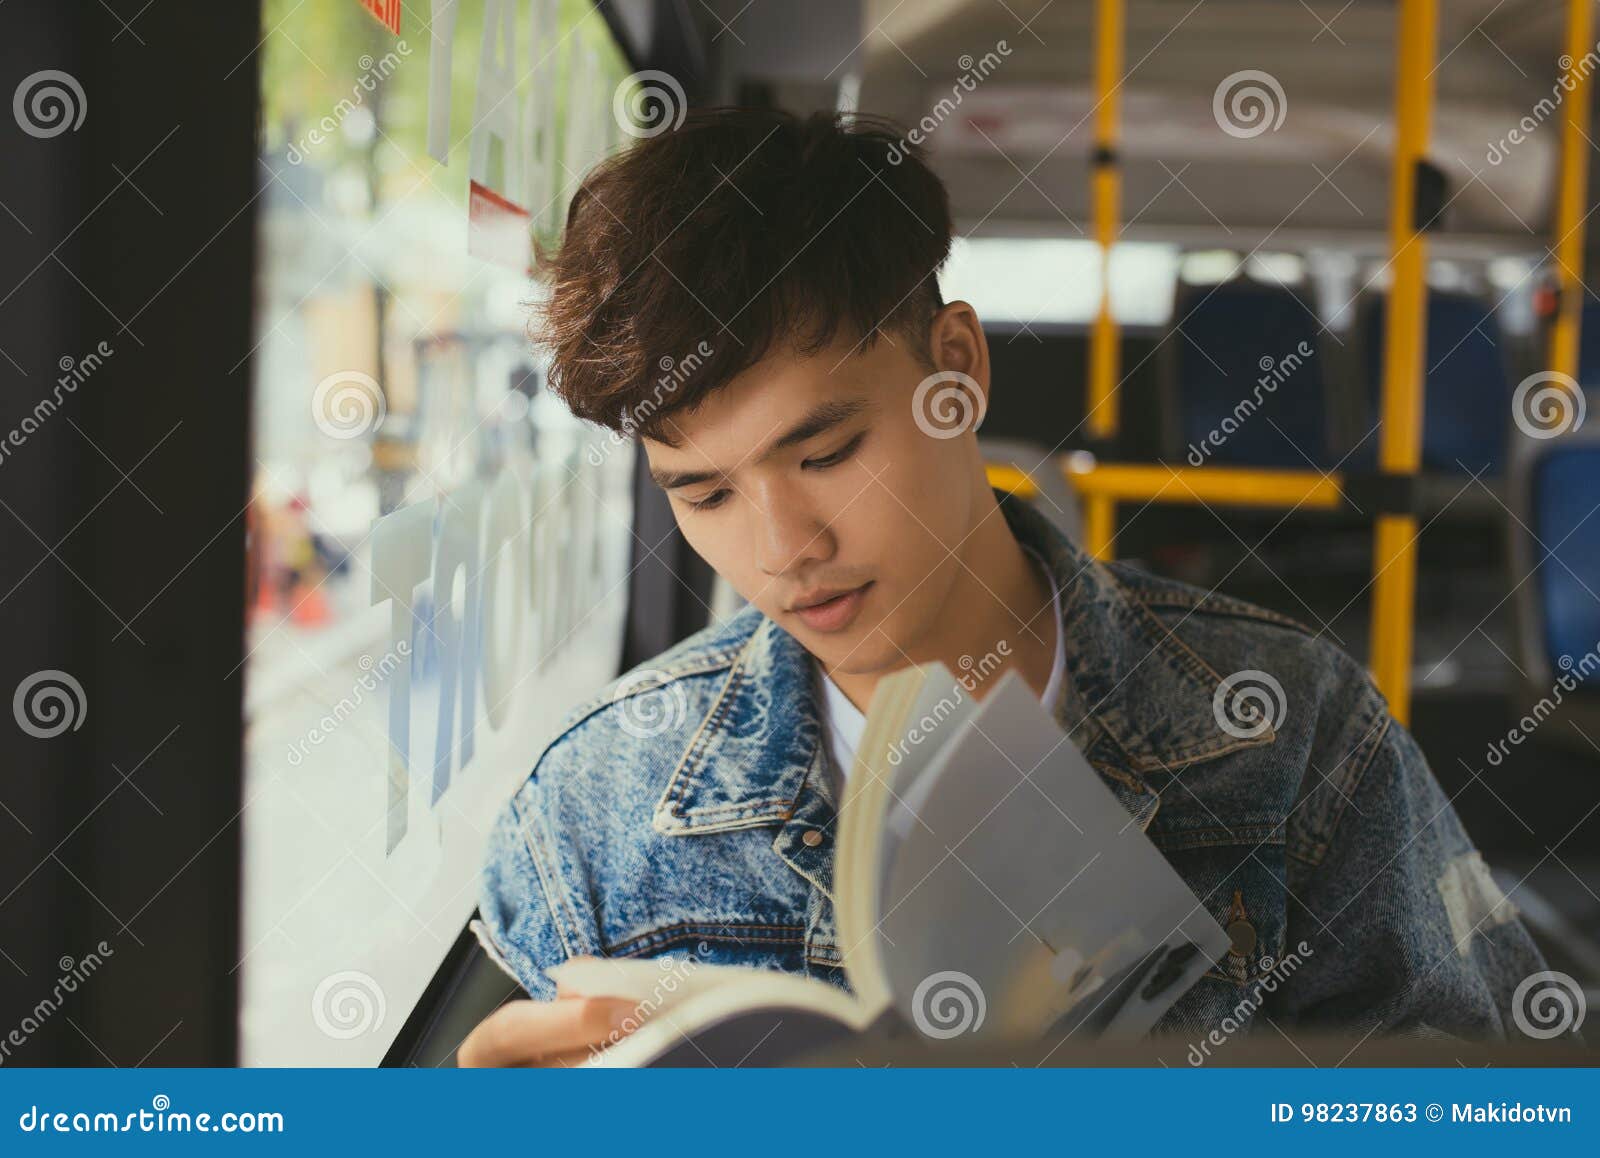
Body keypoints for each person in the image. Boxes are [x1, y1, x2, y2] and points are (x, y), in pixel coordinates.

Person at [458, 108, 1550, 1066]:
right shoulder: (594, 810)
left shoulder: (1289, 729)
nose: (782, 547)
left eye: (827, 454)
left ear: (957, 369)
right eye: (704, 495)